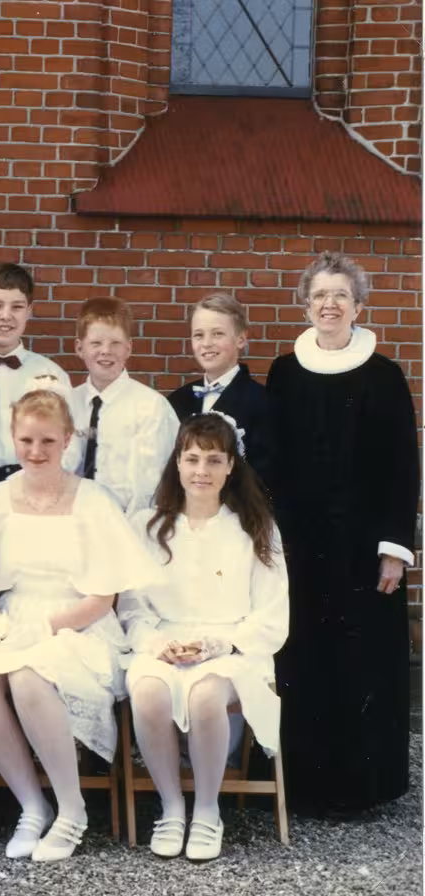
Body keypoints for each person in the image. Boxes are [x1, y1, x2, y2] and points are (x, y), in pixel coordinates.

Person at [0, 388, 156, 862]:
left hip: (78, 623)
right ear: (12, 438)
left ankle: (72, 809)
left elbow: (103, 597)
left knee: (29, 675)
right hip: (12, 618)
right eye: (26, 440)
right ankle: (32, 803)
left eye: (48, 440)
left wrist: (46, 627)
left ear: (67, 439)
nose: (36, 451)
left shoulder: (92, 500)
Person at [266, 251, 419, 814]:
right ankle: (304, 787)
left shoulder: (383, 374)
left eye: (340, 295)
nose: (329, 305)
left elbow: (403, 468)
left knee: (361, 661)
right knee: (303, 657)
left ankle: (363, 790)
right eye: (319, 295)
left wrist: (394, 553)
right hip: (302, 545)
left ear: (358, 304)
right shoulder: (285, 371)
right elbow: (273, 461)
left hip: (364, 549)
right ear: (305, 305)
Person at [118, 413, 288, 861]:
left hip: (233, 644)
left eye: (214, 460)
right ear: (176, 462)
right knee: (149, 690)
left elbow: (272, 612)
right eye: (192, 458)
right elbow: (132, 605)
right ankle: (172, 807)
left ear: (231, 466)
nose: (201, 471)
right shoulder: (147, 525)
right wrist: (155, 643)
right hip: (163, 640)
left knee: (206, 696)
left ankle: (208, 811)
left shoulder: (255, 528)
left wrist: (219, 645)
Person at [0, 262, 69, 498]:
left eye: (16, 307)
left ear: (29, 310)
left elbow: (70, 436)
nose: (5, 316)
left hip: (36, 481)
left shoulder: (52, 373)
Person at [66, 297, 179, 514]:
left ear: (129, 348)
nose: (106, 351)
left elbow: (156, 480)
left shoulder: (151, 407)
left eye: (115, 343)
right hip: (71, 522)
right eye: (96, 343)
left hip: (129, 525)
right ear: (80, 348)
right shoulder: (66, 405)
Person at [166, 293, 272, 486]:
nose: (206, 343)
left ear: (241, 339)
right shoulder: (177, 401)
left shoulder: (264, 403)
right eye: (199, 335)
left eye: (217, 334)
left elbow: (266, 477)